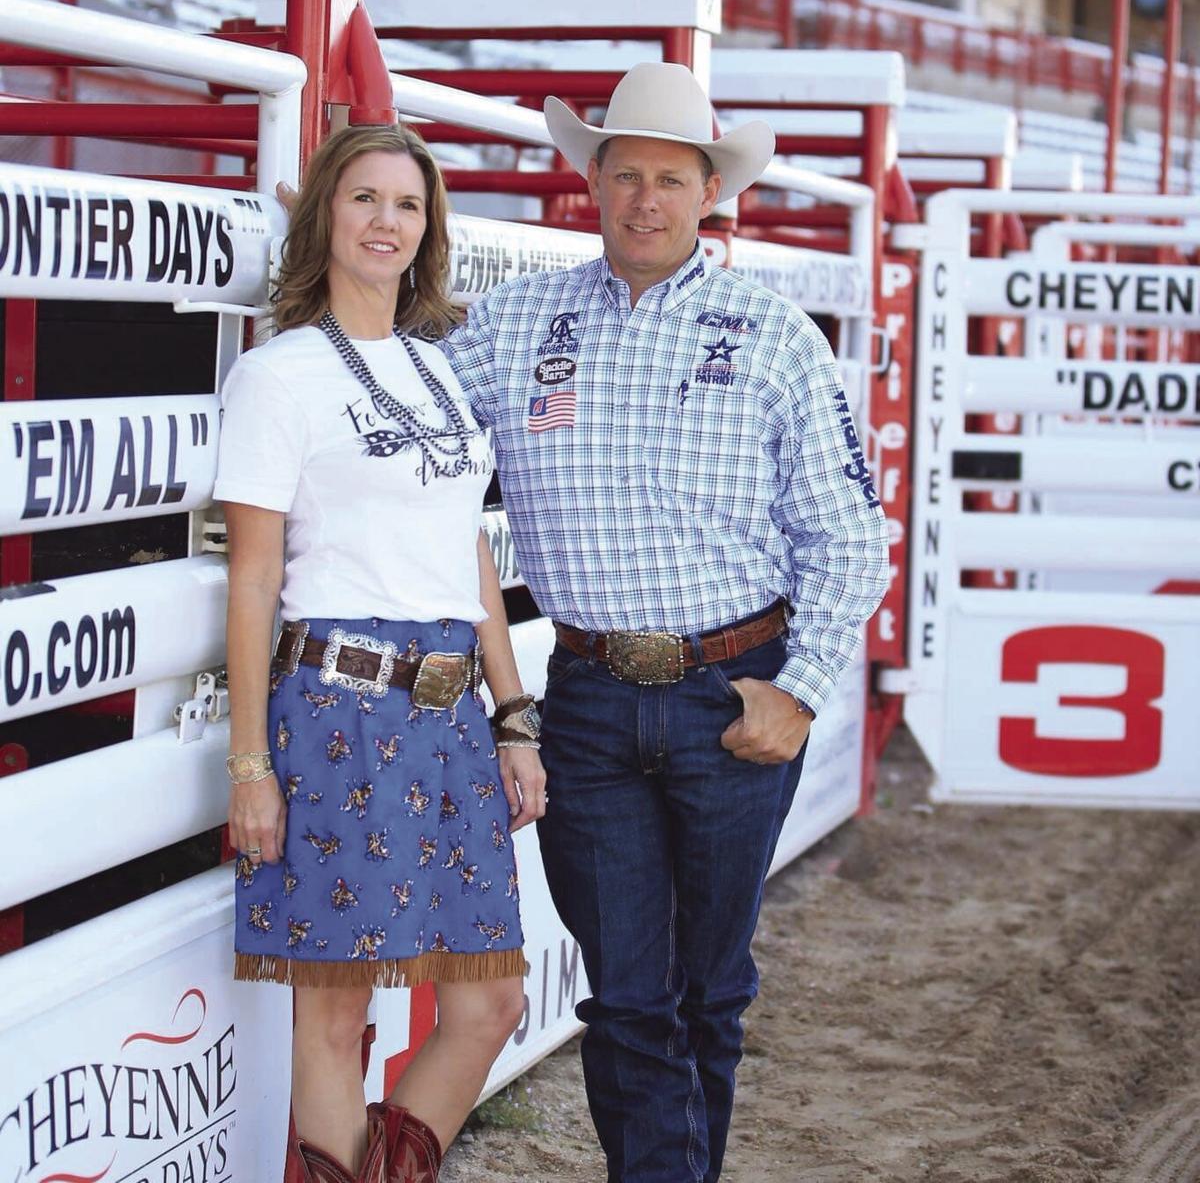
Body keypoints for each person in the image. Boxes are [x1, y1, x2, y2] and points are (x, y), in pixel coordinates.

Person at [441, 63, 890, 1181]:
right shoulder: (513, 326)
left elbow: (851, 532)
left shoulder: (774, 334)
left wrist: (803, 688)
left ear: (709, 194)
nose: (645, 199)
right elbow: (413, 441)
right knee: (630, 996)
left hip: (732, 691)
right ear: (594, 181)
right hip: (588, 700)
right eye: (625, 173)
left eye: (671, 180)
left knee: (708, 991)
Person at [213, 123, 546, 1183]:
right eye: (363, 199)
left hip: (452, 717)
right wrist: (252, 763)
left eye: (406, 206)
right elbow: (255, 581)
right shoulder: (281, 377)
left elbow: (467, 560)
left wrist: (512, 714)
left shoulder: (441, 372)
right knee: (338, 1014)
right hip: (338, 709)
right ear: (326, 217)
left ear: (426, 230)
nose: (385, 223)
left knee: (490, 999)